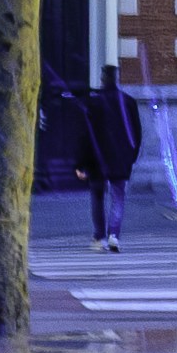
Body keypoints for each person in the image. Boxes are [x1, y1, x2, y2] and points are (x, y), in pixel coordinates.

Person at [70, 70, 148, 249]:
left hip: (97, 160)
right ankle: (114, 234)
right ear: (117, 79)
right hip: (121, 159)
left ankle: (99, 237)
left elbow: (85, 136)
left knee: (97, 198)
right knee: (118, 198)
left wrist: (80, 163)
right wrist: (131, 157)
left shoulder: (93, 101)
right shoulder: (128, 102)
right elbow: (137, 133)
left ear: (102, 79)